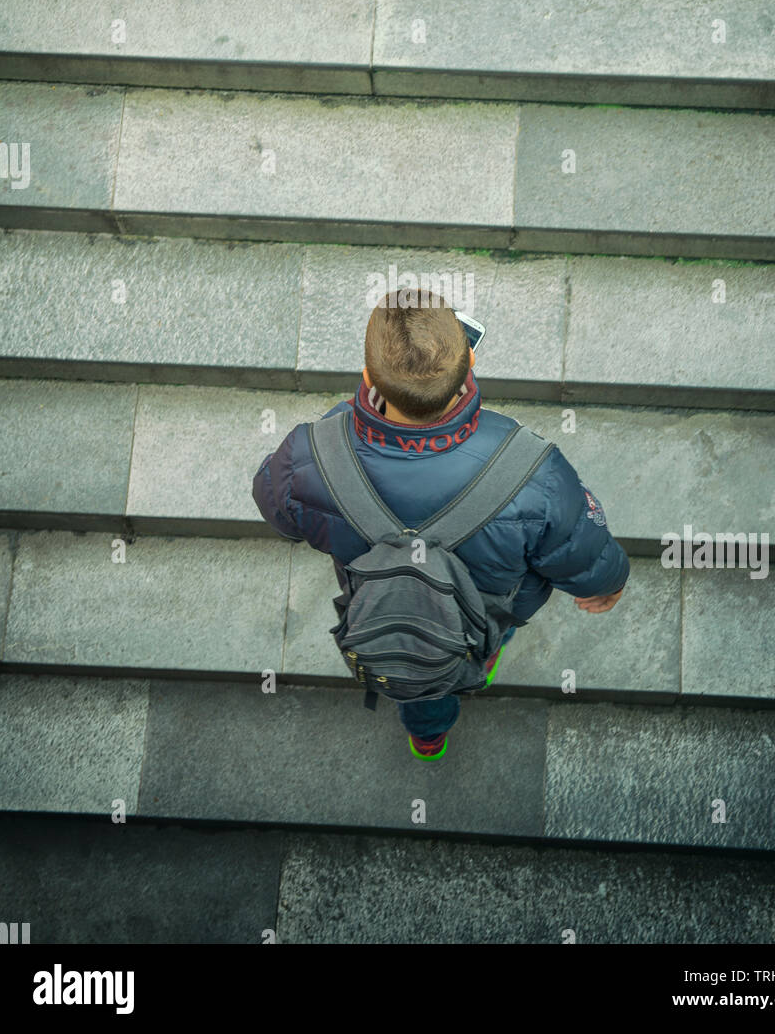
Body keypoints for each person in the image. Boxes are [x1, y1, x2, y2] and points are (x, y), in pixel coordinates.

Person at [252, 287, 629, 759]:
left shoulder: (312, 454)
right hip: (488, 608)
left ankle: (428, 735)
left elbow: (279, 512)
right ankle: (484, 657)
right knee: (483, 635)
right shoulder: (533, 471)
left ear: (369, 375)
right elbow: (581, 548)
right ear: (469, 366)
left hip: (382, 605)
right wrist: (608, 583)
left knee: (421, 680)